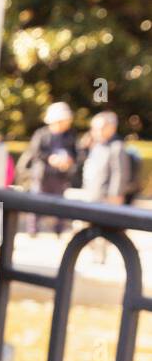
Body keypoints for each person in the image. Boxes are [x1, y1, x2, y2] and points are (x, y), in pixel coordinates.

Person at [76, 111, 133, 264]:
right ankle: (91, 252)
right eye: (93, 128)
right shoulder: (95, 146)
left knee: (105, 228)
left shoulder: (117, 147)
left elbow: (120, 173)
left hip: (107, 196)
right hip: (92, 194)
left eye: (100, 128)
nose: (95, 131)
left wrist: (116, 194)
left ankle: (100, 256)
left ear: (111, 128)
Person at [17, 101, 79, 236]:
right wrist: (50, 158)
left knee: (59, 203)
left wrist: (68, 161)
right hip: (42, 175)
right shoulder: (41, 134)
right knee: (37, 202)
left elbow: (76, 153)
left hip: (61, 176)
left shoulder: (70, 135)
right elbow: (35, 152)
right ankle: (33, 229)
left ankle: (59, 229)